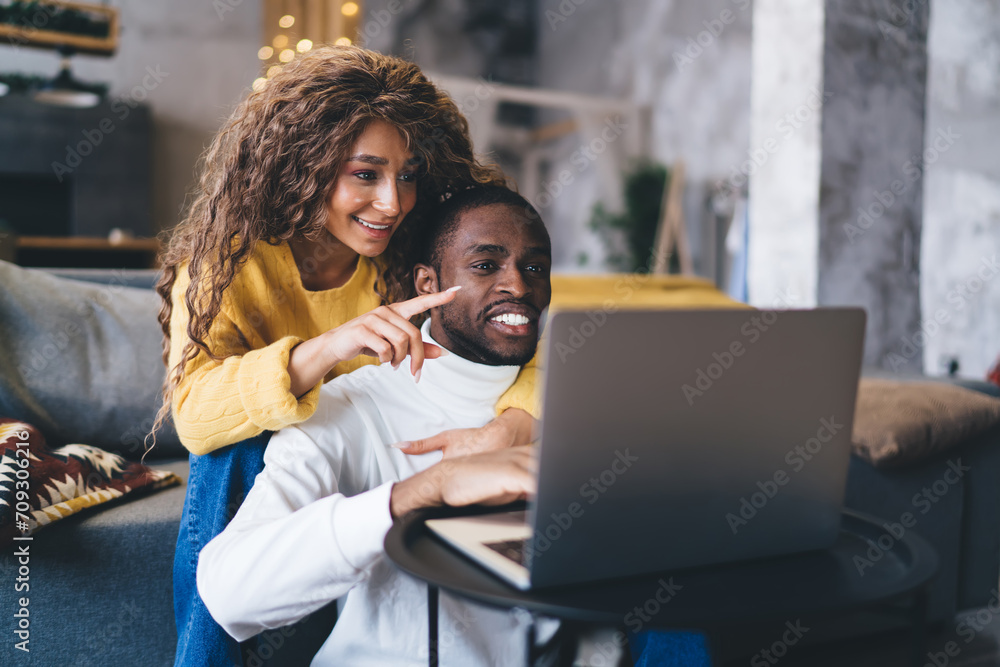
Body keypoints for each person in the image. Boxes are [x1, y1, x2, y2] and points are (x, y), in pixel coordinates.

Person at [156, 47, 538, 665]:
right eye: (366, 174)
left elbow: (519, 327)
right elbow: (196, 419)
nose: (393, 202)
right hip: (287, 460)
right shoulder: (226, 264)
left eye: (408, 174)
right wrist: (331, 346)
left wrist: (511, 427)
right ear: (301, 167)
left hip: (384, 451)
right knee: (231, 455)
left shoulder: (409, 247)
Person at [197, 186, 552, 665]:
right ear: (427, 284)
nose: (519, 286)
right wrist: (430, 488)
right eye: (485, 265)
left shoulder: (574, 397)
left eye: (534, 268)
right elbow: (229, 592)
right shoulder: (351, 407)